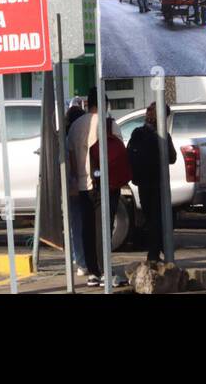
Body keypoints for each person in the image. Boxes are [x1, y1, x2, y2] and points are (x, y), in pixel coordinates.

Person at [67, 87, 123, 287]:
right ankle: (104, 271)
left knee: (88, 228)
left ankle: (92, 272)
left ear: (87, 103)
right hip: (105, 184)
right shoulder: (109, 124)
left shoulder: (75, 126)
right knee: (104, 228)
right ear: (105, 105)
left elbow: (72, 158)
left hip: (83, 185)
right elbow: (118, 154)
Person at [126, 102, 177, 263]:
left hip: (143, 182)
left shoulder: (138, 133)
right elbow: (172, 157)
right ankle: (155, 253)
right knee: (158, 219)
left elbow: (129, 154)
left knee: (151, 219)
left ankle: (154, 253)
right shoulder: (161, 136)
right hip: (157, 183)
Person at [64, 100, 90, 277]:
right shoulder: (85, 133)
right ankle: (82, 260)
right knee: (86, 226)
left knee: (76, 225)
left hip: (73, 185)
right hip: (87, 184)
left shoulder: (67, 137)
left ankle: (79, 260)